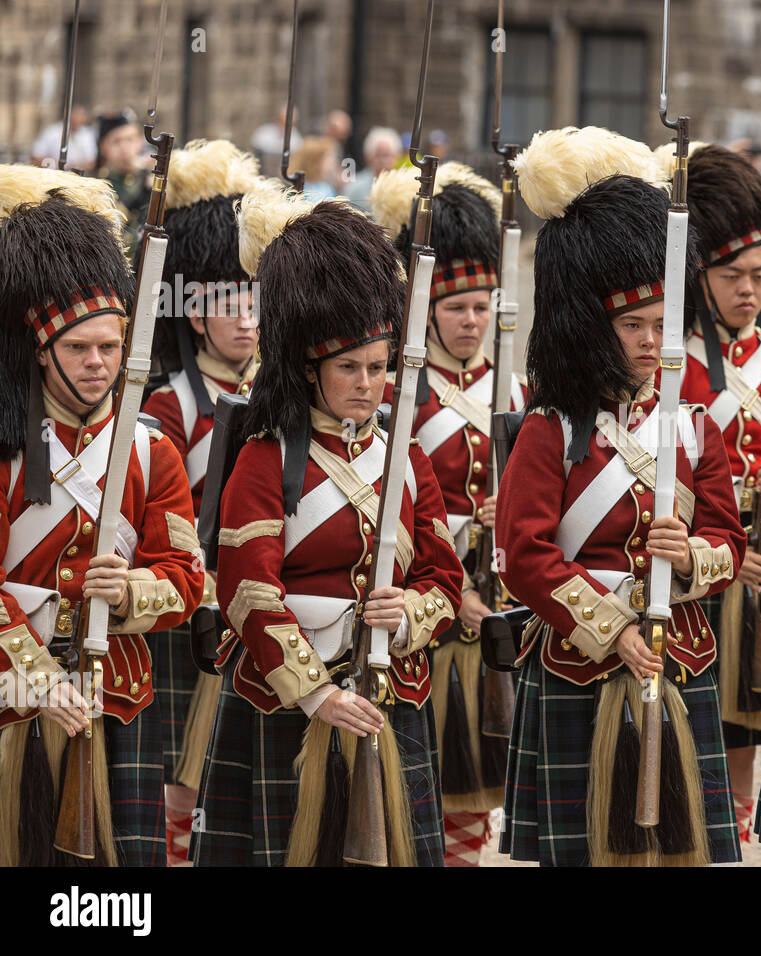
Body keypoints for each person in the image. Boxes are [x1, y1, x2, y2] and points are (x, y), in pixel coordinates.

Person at [189, 182, 465, 866]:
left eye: (377, 367)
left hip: (387, 689)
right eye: (349, 367)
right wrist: (315, 693)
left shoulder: (405, 455)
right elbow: (248, 590)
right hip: (285, 703)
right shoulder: (264, 457)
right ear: (311, 370)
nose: (368, 383)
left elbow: (444, 578)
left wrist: (406, 615)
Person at [495, 126, 745, 866]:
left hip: (680, 656)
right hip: (583, 661)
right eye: (630, 325)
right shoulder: (548, 431)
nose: (648, 340)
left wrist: (692, 556)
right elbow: (524, 557)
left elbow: (730, 544)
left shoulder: (695, 429)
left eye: (658, 324)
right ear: (590, 328)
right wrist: (613, 629)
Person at [0, 164, 206, 865]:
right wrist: (39, 680)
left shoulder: (151, 452)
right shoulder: (7, 453)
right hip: (12, 696)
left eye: (111, 349)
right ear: (41, 350)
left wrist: (132, 593)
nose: (98, 364)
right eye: (79, 349)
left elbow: (185, 580)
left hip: (118, 695)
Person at [370, 161, 526, 865]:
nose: (473, 320)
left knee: (474, 797)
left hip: (492, 609)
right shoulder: (399, 392)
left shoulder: (515, 387)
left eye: (483, 305)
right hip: (423, 606)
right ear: (428, 308)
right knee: (414, 789)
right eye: (459, 307)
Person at [666, 143, 761, 845]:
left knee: (751, 731)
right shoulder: (673, 361)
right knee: (695, 728)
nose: (748, 289)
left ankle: (739, 831)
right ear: (700, 275)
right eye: (732, 275)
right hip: (698, 571)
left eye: (759, 274)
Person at [140, 138, 262, 865]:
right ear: (194, 313)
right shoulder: (171, 401)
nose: (247, 318)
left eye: (255, 299)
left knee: (237, 796)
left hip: (255, 611)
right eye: (229, 303)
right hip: (194, 614)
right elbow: (171, 513)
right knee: (178, 793)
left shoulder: (274, 392)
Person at [95, 111, 152, 255]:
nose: (124, 147)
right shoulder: (97, 185)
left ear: (139, 141)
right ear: (103, 147)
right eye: (116, 141)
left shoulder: (151, 179)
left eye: (130, 139)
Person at [343, 126, 400, 208]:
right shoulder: (354, 188)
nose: (383, 160)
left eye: (387, 155)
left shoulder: (400, 188)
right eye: (379, 155)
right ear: (369, 157)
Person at [30, 104, 97, 171]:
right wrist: (53, 164)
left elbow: (91, 162)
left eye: (82, 115)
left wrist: (72, 166)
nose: (79, 118)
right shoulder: (52, 132)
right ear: (68, 114)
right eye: (76, 114)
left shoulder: (87, 135)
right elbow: (35, 156)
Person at [250, 107, 302, 177]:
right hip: (263, 173)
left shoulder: (296, 136)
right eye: (284, 119)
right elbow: (257, 147)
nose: (286, 123)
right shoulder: (264, 132)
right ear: (278, 118)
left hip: (286, 176)